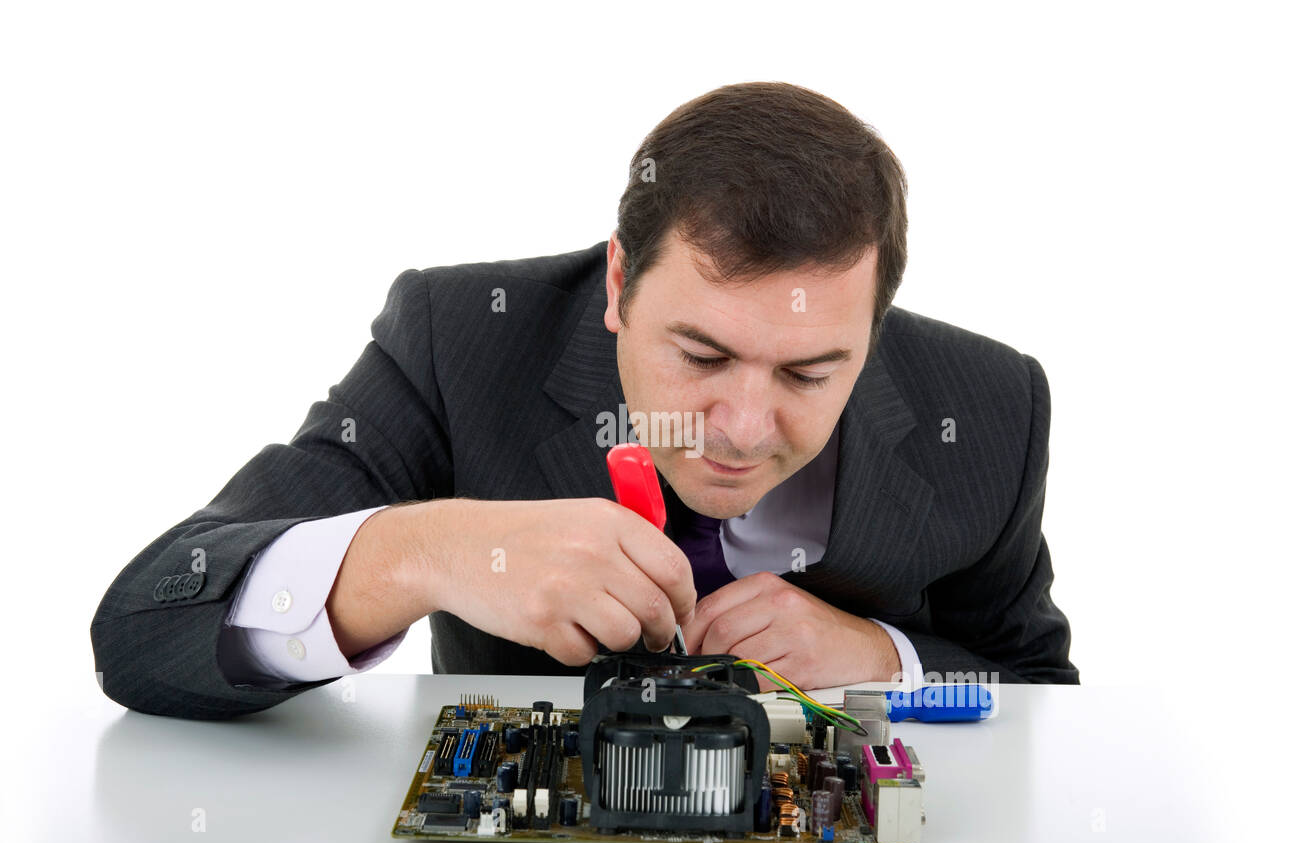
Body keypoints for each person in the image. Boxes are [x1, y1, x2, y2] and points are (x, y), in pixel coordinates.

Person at [90, 81, 1078, 720]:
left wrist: (888, 658)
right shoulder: (460, 340)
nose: (736, 427)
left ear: (876, 325)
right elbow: (142, 621)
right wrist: (424, 549)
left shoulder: (991, 406)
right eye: (698, 350)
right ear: (617, 284)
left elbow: (1040, 693)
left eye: (808, 372)